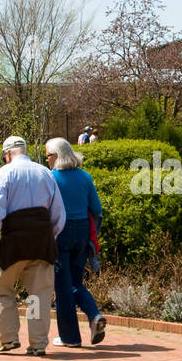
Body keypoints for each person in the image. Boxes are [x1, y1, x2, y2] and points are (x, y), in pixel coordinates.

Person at [0, 135, 66, 356]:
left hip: (12, 242)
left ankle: (8, 340)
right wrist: (51, 238)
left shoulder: (4, 173)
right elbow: (58, 213)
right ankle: (38, 344)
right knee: (38, 296)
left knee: (2, 291)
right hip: (42, 242)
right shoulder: (45, 173)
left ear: (8, 154)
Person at [44, 137, 108, 348]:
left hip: (61, 233)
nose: (47, 161)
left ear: (57, 156)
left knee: (63, 286)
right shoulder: (84, 176)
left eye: (48, 156)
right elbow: (97, 210)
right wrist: (93, 234)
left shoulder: (51, 178)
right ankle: (94, 315)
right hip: (82, 233)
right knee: (75, 283)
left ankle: (70, 337)